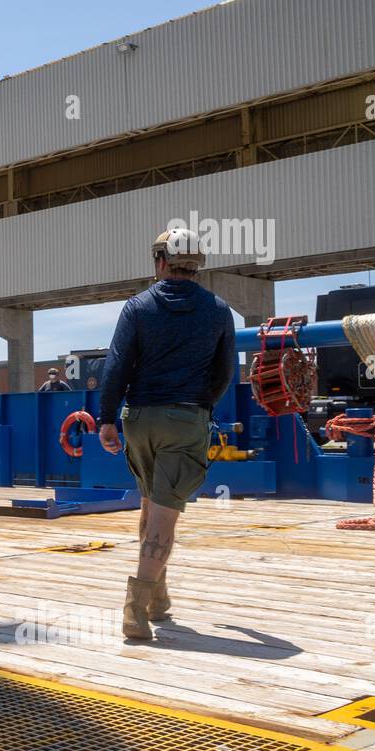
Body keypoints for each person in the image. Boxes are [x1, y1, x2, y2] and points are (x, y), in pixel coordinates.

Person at [97, 227, 236, 640]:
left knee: (149, 503)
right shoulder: (218, 310)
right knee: (164, 514)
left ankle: (158, 599)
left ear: (159, 260)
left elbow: (116, 365)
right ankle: (135, 610)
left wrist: (107, 417)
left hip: (138, 419)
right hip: (185, 418)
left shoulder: (138, 307)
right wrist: (200, 406)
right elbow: (225, 371)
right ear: (198, 263)